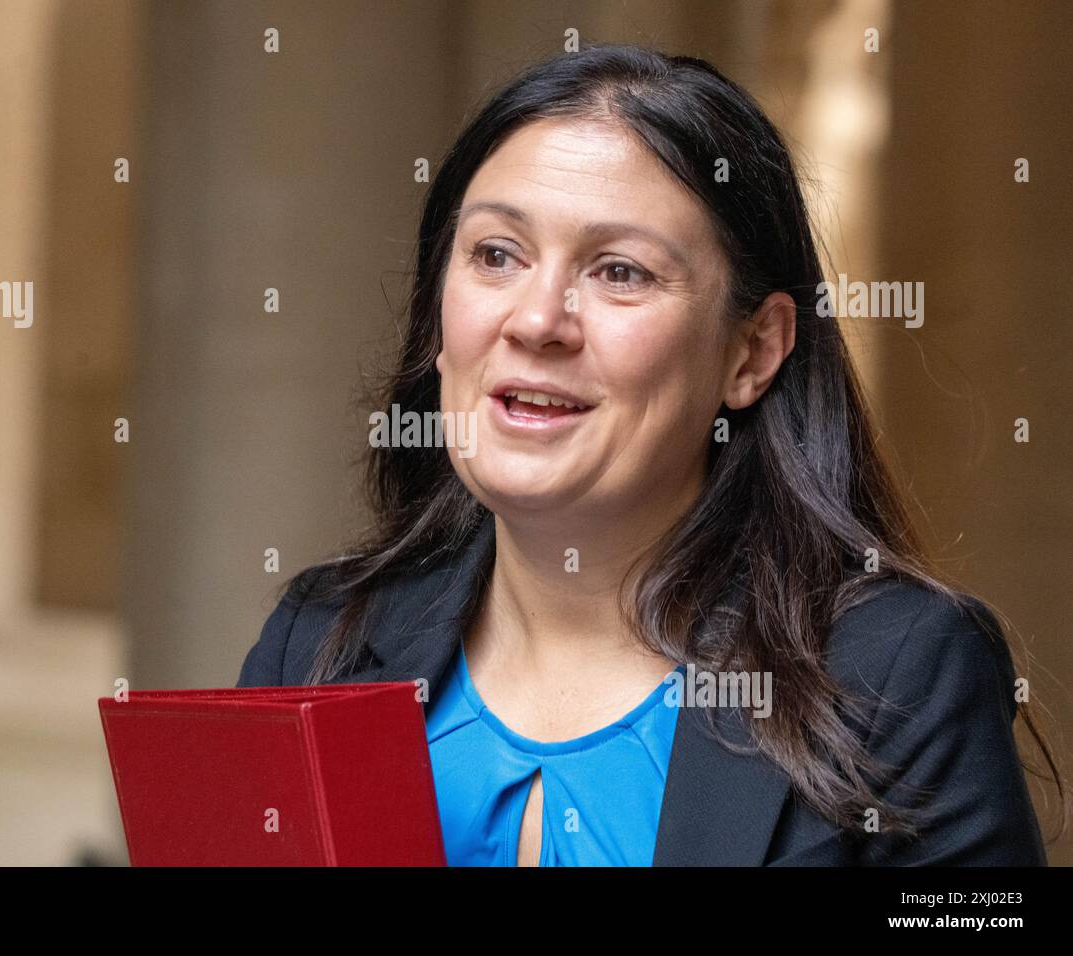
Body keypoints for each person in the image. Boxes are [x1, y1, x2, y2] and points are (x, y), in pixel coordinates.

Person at [237, 44, 1061, 866]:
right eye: (496, 255)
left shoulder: (897, 672)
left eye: (620, 272)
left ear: (752, 353)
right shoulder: (316, 644)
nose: (535, 320)